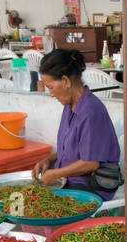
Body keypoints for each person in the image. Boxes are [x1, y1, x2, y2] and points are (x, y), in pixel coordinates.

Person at [32, 47, 120, 200]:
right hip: (71, 180)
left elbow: (90, 163)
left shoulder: (91, 111)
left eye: (51, 87)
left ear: (65, 81)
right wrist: (49, 160)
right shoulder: (69, 106)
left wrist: (56, 173)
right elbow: (71, 150)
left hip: (93, 185)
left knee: (40, 205)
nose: (51, 94)